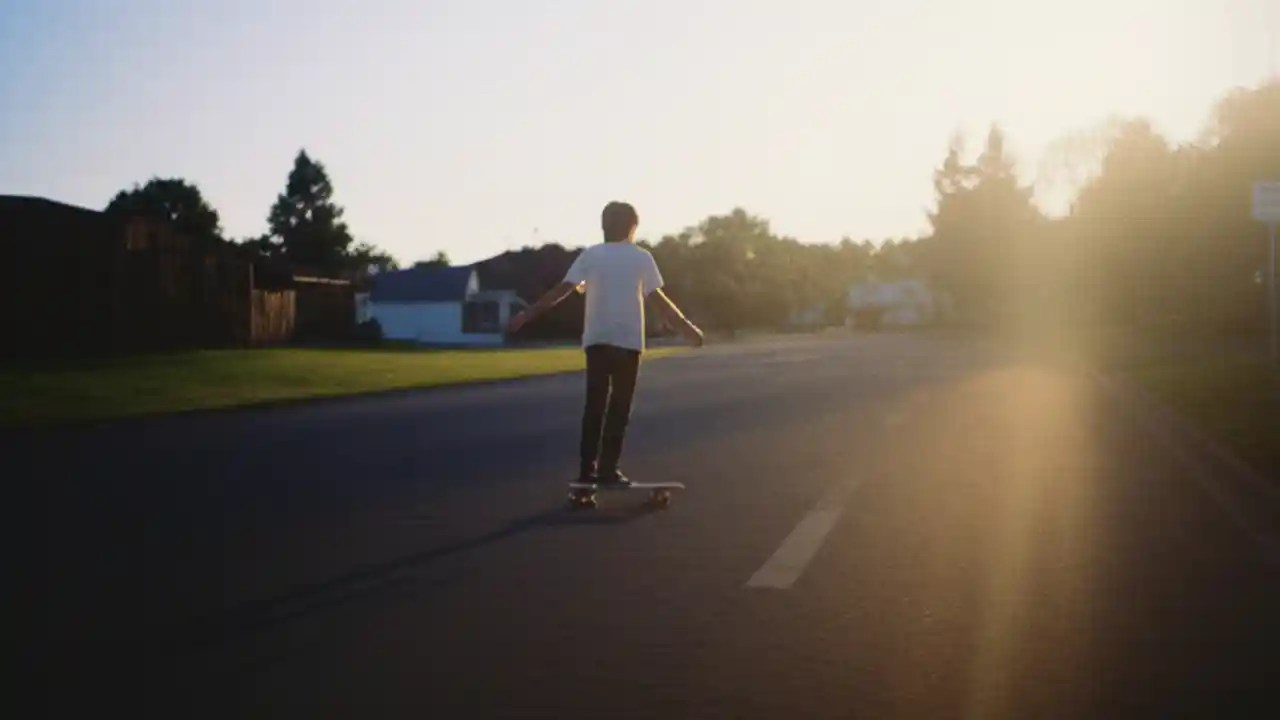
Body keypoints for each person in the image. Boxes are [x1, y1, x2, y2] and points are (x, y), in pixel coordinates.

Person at [507, 201, 704, 485]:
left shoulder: (591, 256)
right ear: (633, 227)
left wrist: (527, 314)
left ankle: (587, 472)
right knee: (619, 408)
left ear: (603, 225)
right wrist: (687, 328)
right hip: (628, 343)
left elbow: (560, 291)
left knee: (594, 407)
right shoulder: (641, 257)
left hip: (597, 341)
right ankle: (608, 470)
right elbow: (659, 301)